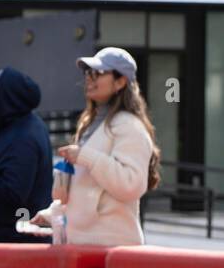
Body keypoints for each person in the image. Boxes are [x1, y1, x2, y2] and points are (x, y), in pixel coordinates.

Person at [30, 47, 159, 246]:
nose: (89, 78)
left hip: (111, 248)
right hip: (83, 245)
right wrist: (52, 213)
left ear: (120, 81)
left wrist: (85, 156)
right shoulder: (90, 123)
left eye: (98, 73)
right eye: (88, 72)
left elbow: (131, 185)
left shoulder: (130, 125)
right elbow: (86, 189)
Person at [0, 67, 52, 244]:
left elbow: (13, 192)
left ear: (4, 96)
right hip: (11, 239)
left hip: (18, 244)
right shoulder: (17, 127)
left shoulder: (23, 135)